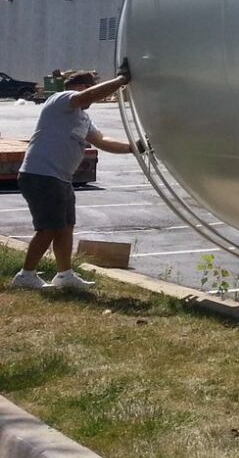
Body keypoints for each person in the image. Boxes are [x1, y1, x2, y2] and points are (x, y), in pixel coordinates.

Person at [11, 64, 142, 291]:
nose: (94, 95)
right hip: (41, 174)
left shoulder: (83, 117)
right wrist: (121, 80)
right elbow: (89, 95)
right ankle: (26, 275)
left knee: (65, 227)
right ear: (80, 87)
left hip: (60, 178)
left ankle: (64, 275)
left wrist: (134, 147)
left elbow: (102, 141)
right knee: (49, 228)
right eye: (90, 88)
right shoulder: (63, 99)